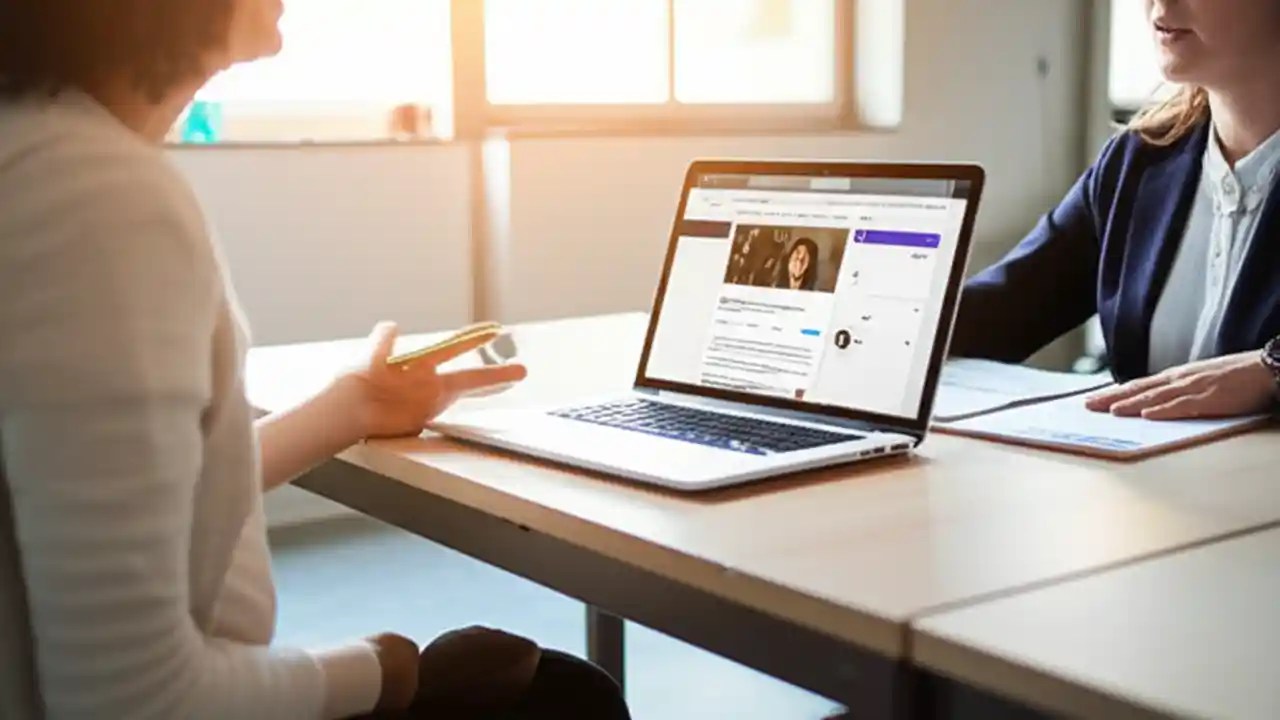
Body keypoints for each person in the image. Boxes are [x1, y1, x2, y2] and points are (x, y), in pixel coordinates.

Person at [0, 1, 629, 719]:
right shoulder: (91, 197)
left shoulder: (39, 154)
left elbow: (138, 488)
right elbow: (131, 700)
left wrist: (351, 406)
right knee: (563, 699)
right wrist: (377, 671)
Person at [950, 0, 1280, 420]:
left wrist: (1271, 369)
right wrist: (866, 325)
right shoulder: (1136, 163)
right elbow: (1002, 308)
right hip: (1150, 480)